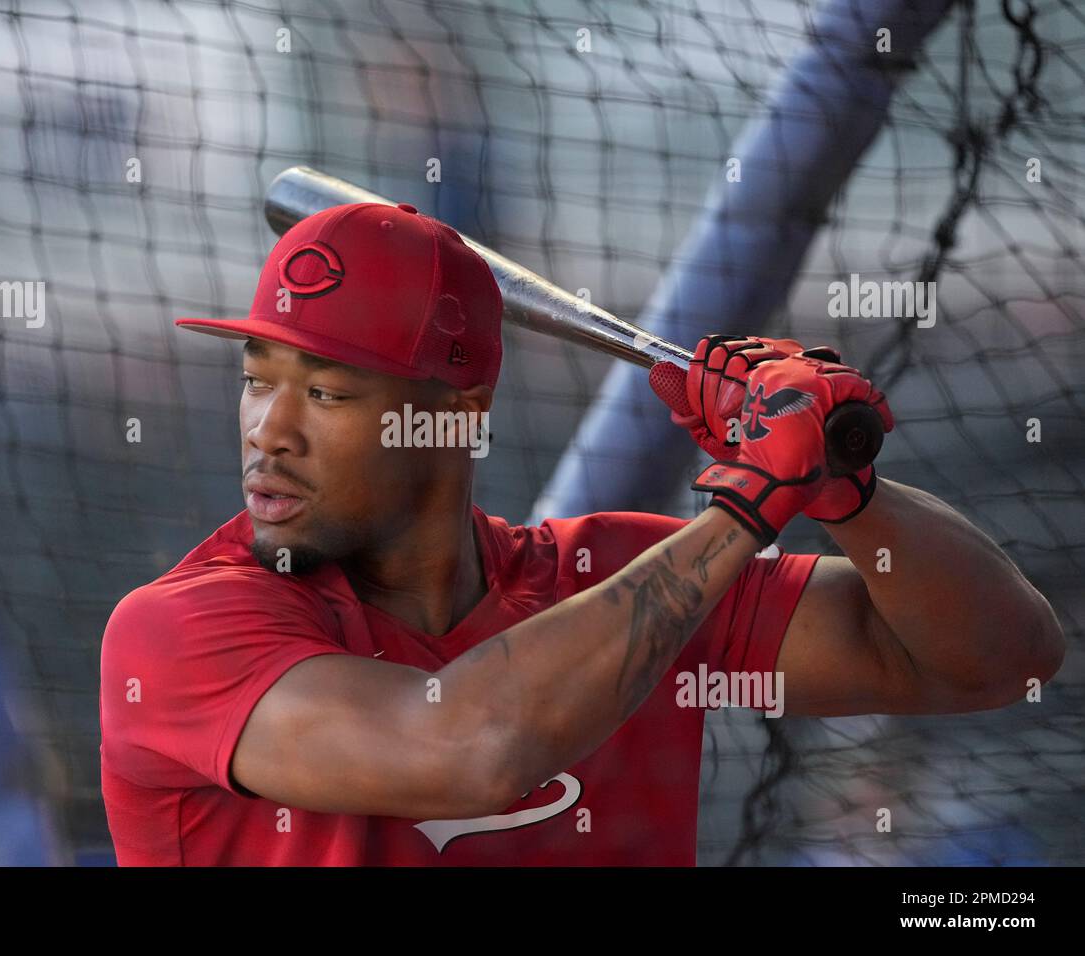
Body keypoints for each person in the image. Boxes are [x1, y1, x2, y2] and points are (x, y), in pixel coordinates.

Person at [99, 201, 1064, 865]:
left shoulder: (599, 579)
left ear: (460, 411)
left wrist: (844, 487)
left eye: (326, 392)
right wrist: (746, 502)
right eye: (255, 378)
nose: (270, 429)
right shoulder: (180, 631)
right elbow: (470, 749)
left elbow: (998, 659)